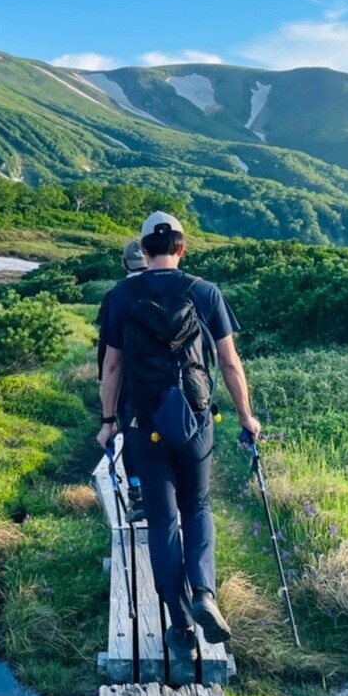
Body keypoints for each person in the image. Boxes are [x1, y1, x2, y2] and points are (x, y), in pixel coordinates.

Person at [96, 212, 262, 663]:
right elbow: (229, 363)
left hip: (144, 425)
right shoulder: (206, 293)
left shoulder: (120, 296)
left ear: (143, 250)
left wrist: (109, 421)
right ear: (182, 250)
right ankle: (205, 592)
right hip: (196, 421)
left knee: (163, 521)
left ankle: (179, 623)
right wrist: (246, 416)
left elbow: (112, 367)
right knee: (199, 507)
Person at [95, 238, 148, 522]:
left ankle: (137, 493)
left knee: (130, 433)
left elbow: (107, 349)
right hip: (168, 381)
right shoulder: (166, 289)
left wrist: (103, 384)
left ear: (125, 263)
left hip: (129, 379)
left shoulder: (117, 294)